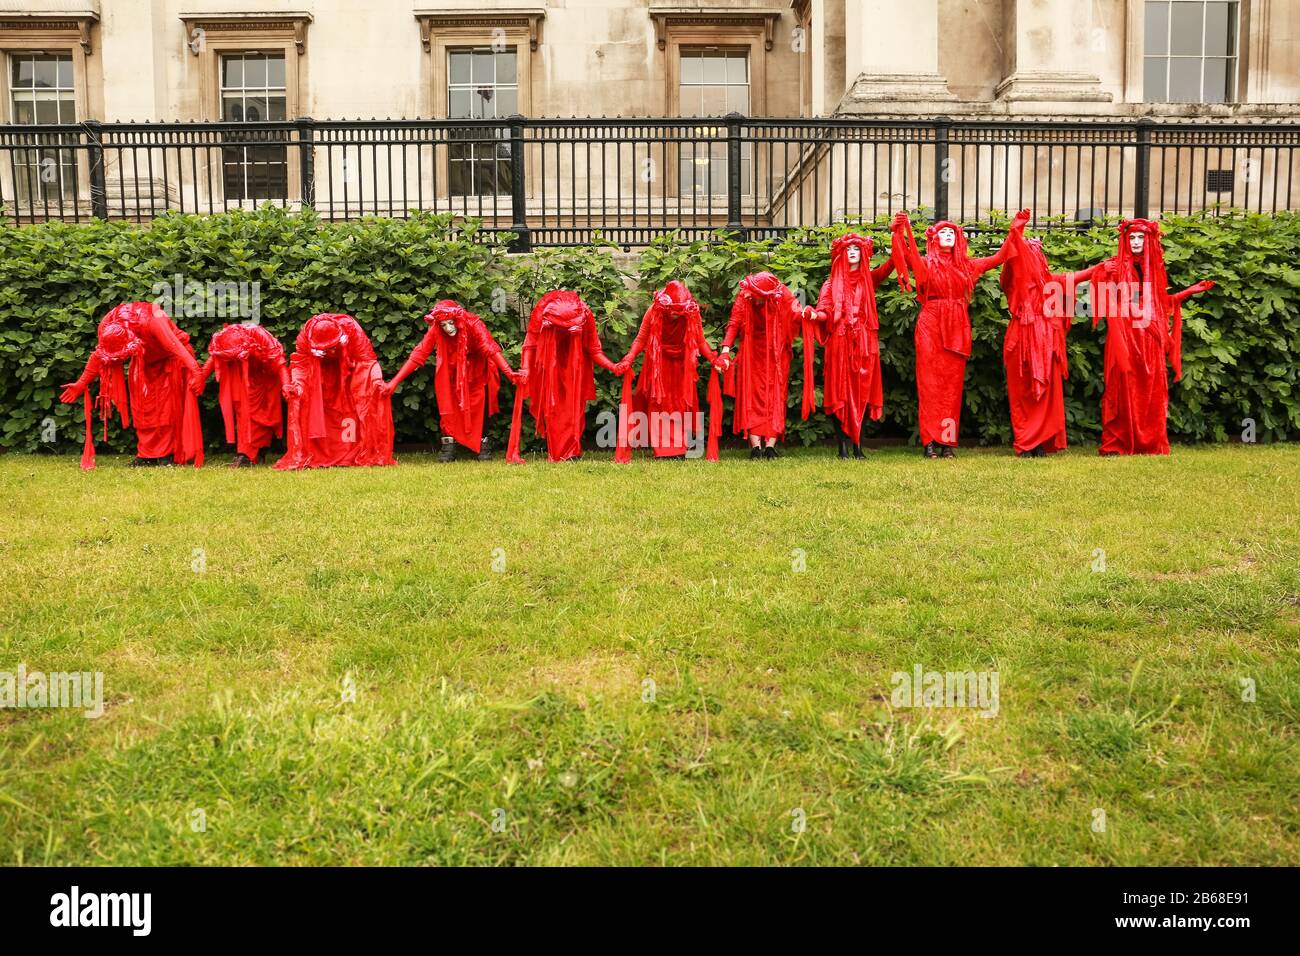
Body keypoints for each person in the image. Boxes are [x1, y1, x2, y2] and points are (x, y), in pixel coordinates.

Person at [1059, 219, 1214, 455]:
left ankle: (1149, 441)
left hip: (1149, 337)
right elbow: (1101, 296)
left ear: (1150, 239)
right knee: (1121, 384)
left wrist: (1189, 291)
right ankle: (1117, 442)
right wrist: (1103, 274)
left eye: (1140, 237)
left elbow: (1161, 305)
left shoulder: (1155, 270)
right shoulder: (1114, 266)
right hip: (1124, 336)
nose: (1136, 242)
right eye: (1131, 238)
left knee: (1150, 387)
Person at [891, 209, 1031, 458]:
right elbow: (906, 255)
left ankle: (947, 443)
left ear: (958, 238)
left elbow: (1000, 257)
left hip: (956, 326)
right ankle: (929, 442)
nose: (947, 235)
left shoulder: (969, 266)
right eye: (942, 232)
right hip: (931, 324)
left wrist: (1016, 228)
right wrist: (900, 231)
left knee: (951, 388)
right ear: (934, 239)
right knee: (929, 385)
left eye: (951, 232)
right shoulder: (925, 263)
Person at [59, 302, 204, 469]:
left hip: (172, 359)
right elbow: (100, 355)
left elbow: (175, 346)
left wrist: (195, 371)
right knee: (142, 408)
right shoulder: (107, 325)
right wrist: (81, 383)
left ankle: (166, 454)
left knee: (166, 408)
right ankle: (147, 454)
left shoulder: (154, 320)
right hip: (143, 360)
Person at [381, 300, 519, 463]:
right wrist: (394, 382)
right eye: (444, 325)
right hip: (451, 369)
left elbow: (490, 349)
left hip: (477, 368)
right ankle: (449, 444)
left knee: (479, 404)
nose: (448, 329)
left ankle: (483, 443)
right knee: (448, 404)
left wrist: (510, 373)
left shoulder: (474, 324)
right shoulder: (436, 329)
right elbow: (419, 354)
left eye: (451, 323)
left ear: (458, 320)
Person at [613, 280, 726, 462]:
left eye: (679, 311)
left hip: (682, 363)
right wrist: (628, 359)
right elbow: (641, 340)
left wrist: (714, 359)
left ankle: (679, 447)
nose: (675, 314)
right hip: (658, 363)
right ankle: (663, 450)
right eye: (673, 310)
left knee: (680, 404)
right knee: (659, 403)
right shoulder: (654, 311)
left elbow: (700, 341)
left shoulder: (691, 313)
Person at [806, 233, 896, 459]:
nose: (853, 252)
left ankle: (858, 445)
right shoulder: (830, 284)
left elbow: (889, 267)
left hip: (865, 342)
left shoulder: (869, 279)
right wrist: (814, 315)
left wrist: (898, 237)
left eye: (857, 248)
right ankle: (842, 447)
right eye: (848, 249)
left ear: (863, 253)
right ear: (840, 254)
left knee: (862, 392)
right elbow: (825, 310)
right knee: (840, 393)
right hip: (840, 341)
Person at [506, 290, 623, 463]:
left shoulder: (585, 313)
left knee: (575, 409)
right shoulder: (542, 311)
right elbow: (530, 343)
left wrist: (612, 366)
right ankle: (559, 452)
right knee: (553, 409)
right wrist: (526, 368)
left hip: (576, 367)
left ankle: (572, 451)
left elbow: (594, 349)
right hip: (549, 365)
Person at [276, 313, 395, 470]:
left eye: (332, 348)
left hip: (349, 375)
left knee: (350, 413)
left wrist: (375, 380)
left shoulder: (352, 330)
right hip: (319, 378)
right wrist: (297, 385)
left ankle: (352, 452)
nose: (330, 353)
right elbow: (300, 364)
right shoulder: (305, 337)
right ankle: (320, 453)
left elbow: (367, 361)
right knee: (317, 409)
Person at [718, 271, 812, 460]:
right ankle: (756, 447)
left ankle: (770, 446)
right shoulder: (745, 294)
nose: (753, 298)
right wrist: (725, 350)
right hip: (752, 353)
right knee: (752, 396)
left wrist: (806, 313)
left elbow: (795, 312)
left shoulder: (782, 293)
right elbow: (734, 323)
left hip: (777, 354)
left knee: (775, 395)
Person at [999, 235, 1073, 457]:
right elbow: (1008, 267)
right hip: (1020, 336)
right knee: (1022, 391)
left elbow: (1073, 278)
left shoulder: (1050, 282)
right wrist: (1016, 232)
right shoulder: (1013, 279)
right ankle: (1025, 442)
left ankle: (1038, 441)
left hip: (1045, 339)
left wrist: (1099, 267)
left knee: (1042, 394)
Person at [195, 322, 290, 467]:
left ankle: (254, 453)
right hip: (242, 378)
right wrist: (201, 377)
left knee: (263, 416)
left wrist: (286, 385)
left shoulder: (260, 335)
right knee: (242, 414)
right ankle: (246, 453)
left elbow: (279, 362)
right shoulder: (225, 338)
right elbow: (215, 358)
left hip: (265, 376)